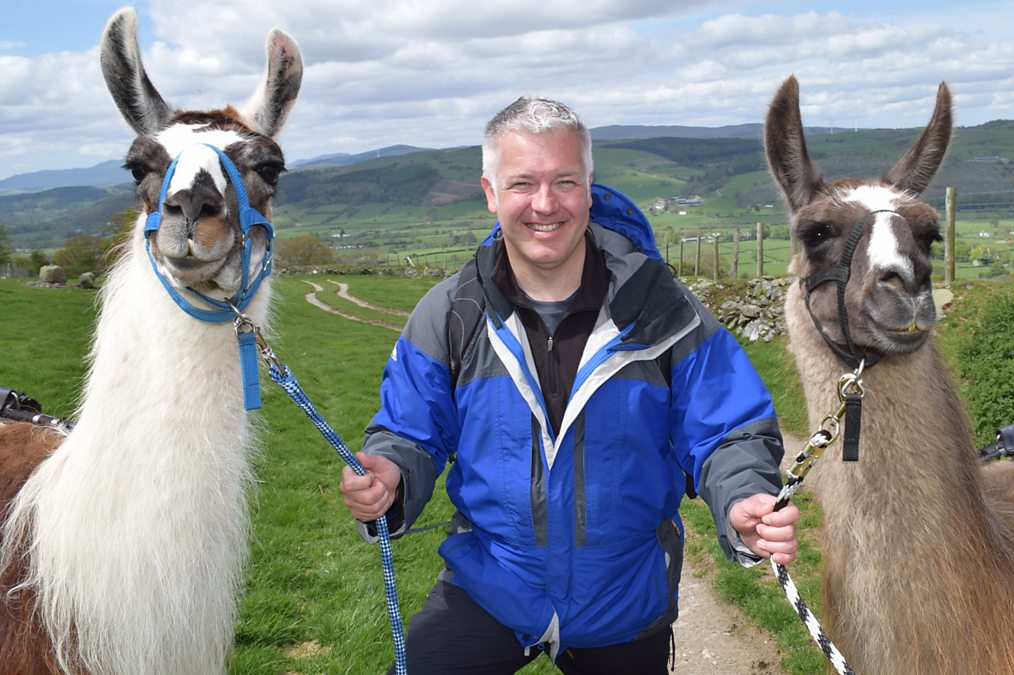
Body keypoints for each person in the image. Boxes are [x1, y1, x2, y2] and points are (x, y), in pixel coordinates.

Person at [340, 96, 800, 674]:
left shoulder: (663, 311)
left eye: (564, 181)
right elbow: (408, 431)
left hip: (623, 599)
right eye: (522, 183)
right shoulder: (451, 313)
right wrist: (391, 475)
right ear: (490, 193)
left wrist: (743, 496)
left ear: (589, 187)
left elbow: (730, 429)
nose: (544, 204)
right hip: (491, 586)